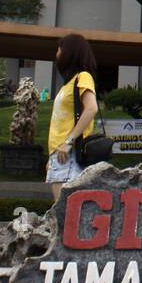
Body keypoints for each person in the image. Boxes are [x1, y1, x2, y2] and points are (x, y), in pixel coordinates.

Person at [46, 34, 99, 204]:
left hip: (68, 152)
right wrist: (52, 156)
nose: (57, 53)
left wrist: (68, 142)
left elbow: (91, 108)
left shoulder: (83, 77)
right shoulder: (68, 83)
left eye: (60, 49)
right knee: (63, 210)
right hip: (60, 153)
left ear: (69, 52)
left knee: (66, 212)